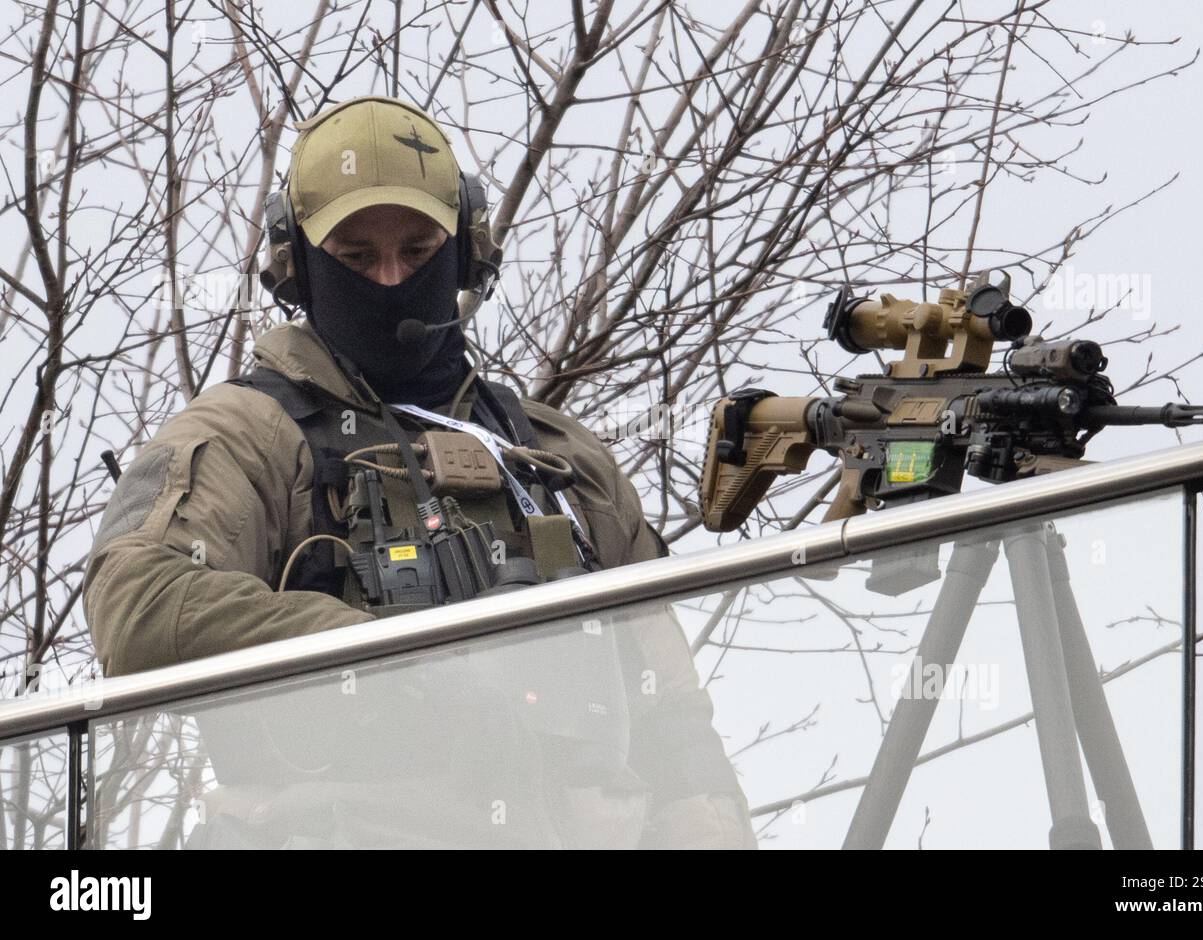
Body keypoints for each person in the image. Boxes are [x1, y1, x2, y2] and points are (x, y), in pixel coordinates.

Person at [85, 96, 755, 848]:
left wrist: (704, 828)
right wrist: (385, 667)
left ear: (468, 252)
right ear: (297, 265)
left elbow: (670, 711)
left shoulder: (562, 459)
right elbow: (137, 607)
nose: (391, 278)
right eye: (355, 256)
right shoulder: (248, 434)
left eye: (418, 249)